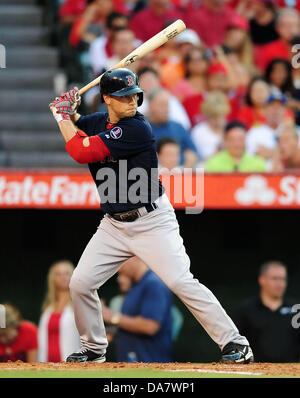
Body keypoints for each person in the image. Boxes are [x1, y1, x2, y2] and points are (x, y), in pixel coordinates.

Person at [49, 67, 253, 364]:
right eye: (123, 97)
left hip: (151, 220)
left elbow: (81, 151)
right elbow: (79, 123)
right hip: (113, 225)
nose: (131, 102)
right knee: (80, 283)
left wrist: (60, 116)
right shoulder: (99, 121)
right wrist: (68, 110)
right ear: (106, 98)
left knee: (181, 281)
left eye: (134, 96)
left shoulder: (137, 128)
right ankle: (94, 348)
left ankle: (235, 342)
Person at [101, 257, 173, 362]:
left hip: (150, 366)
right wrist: (111, 332)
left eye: (121, 262)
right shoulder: (135, 286)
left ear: (133, 257)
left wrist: (111, 316)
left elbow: (150, 326)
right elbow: (129, 323)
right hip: (131, 363)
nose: (119, 269)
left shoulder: (154, 284)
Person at [233, 261, 300, 363]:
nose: (280, 284)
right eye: (275, 279)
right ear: (262, 280)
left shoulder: (296, 309)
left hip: (292, 370)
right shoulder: (246, 310)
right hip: (256, 371)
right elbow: (235, 343)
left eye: (283, 279)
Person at [38, 260, 80, 362]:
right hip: (46, 363)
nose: (63, 277)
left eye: (67, 273)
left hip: (71, 364)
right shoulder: (48, 307)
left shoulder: (79, 304)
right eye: (58, 274)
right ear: (52, 278)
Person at [147, 88, 199, 168]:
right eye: (161, 105)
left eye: (167, 105)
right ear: (150, 105)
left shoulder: (178, 127)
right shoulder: (141, 128)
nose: (166, 109)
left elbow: (193, 153)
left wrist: (184, 171)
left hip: (179, 170)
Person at [246, 92, 293, 161]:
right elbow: (250, 156)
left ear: (285, 111)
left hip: (288, 171)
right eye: (272, 107)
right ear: (265, 110)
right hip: (262, 171)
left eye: (279, 107)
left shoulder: (294, 130)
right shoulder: (254, 132)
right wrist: (284, 152)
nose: (276, 111)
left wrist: (269, 152)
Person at [191, 91, 231, 160]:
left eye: (221, 115)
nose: (218, 120)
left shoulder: (231, 129)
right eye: (214, 116)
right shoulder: (199, 131)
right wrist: (218, 151)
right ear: (207, 115)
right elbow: (199, 159)